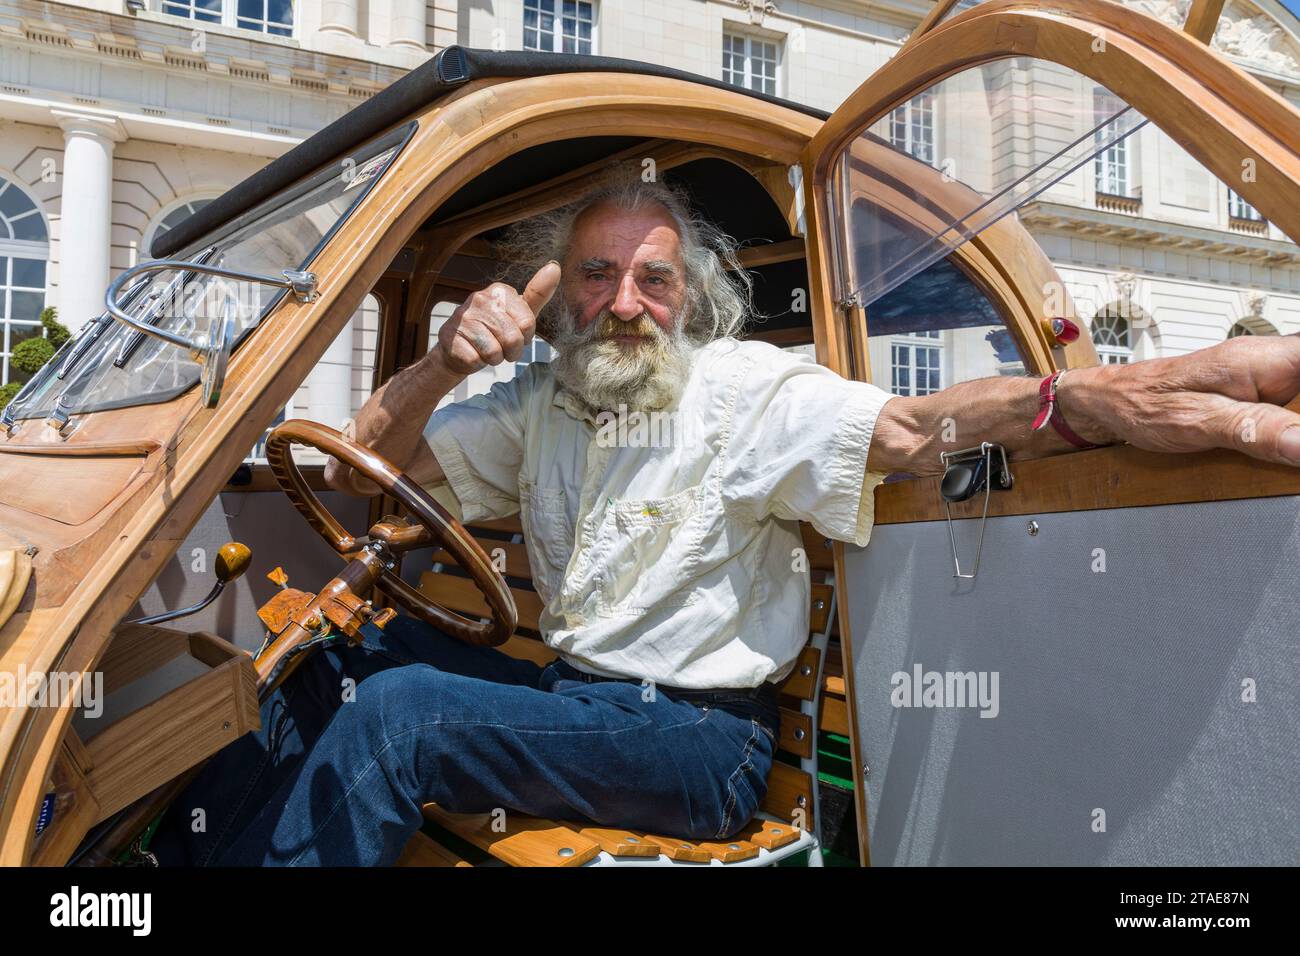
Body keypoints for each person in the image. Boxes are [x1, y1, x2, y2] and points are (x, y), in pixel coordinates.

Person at [152, 173, 1300, 866]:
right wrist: (442, 362)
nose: (623, 304)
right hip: (575, 694)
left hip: (700, 742)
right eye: (596, 278)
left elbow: (906, 428)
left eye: (651, 279)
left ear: (689, 296)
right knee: (325, 660)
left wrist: (1085, 396)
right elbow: (365, 466)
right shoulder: (542, 402)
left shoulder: (740, 388)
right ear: (563, 296)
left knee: (397, 713)